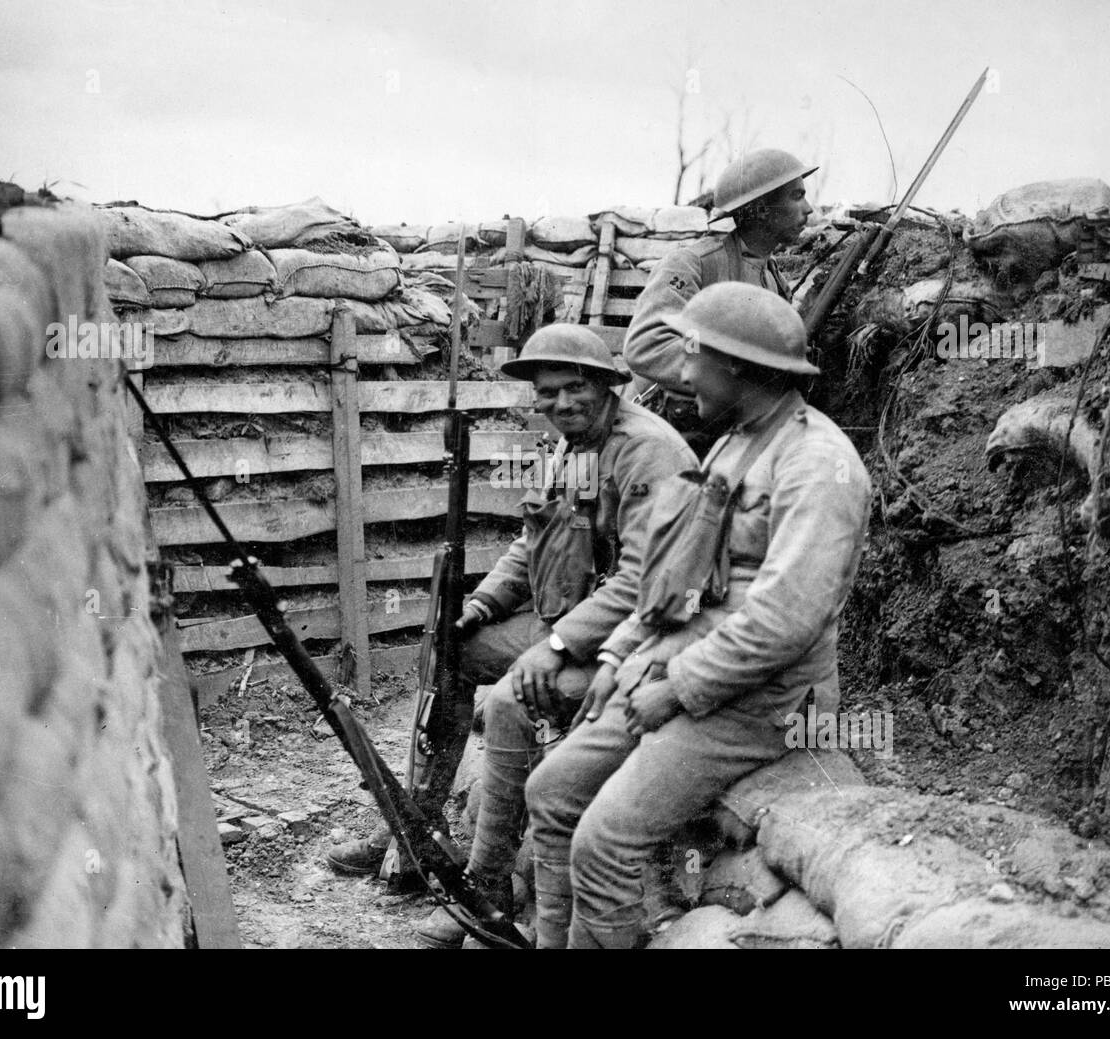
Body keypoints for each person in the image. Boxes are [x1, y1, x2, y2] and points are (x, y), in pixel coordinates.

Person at [524, 283, 872, 948]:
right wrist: (616, 652)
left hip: (759, 701)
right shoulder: (735, 445)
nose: (682, 373)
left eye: (694, 356)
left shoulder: (818, 464)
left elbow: (784, 621)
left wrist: (675, 686)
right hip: (681, 669)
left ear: (738, 365)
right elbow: (672, 574)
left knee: (603, 841)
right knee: (551, 788)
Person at [324, 324, 695, 947]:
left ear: (605, 384)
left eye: (573, 388)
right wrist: (480, 604)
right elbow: (532, 545)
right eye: (546, 395)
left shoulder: (647, 454)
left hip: (637, 640)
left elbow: (644, 583)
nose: (558, 404)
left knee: (509, 705)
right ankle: (415, 826)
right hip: (566, 620)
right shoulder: (569, 448)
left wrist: (555, 646)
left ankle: (487, 881)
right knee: (454, 653)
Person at [624, 149, 817, 455]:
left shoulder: (772, 276)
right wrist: (730, 377)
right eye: (797, 196)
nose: (809, 209)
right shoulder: (694, 264)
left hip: (729, 435)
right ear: (762, 209)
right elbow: (648, 345)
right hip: (668, 436)